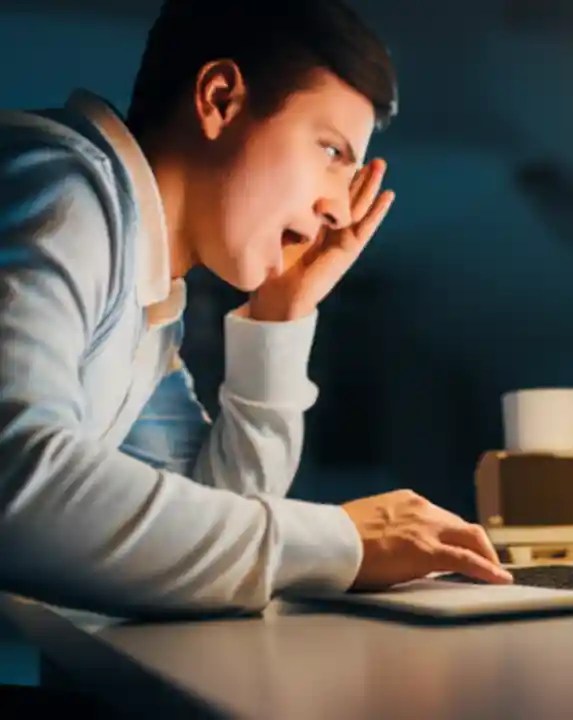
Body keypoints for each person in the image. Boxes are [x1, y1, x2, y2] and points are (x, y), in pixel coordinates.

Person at [0, 0, 513, 621]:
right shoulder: (61, 189)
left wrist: (279, 316)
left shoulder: (148, 298)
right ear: (220, 99)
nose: (338, 209)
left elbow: (199, 520)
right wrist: (343, 540)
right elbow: (16, 486)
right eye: (330, 152)